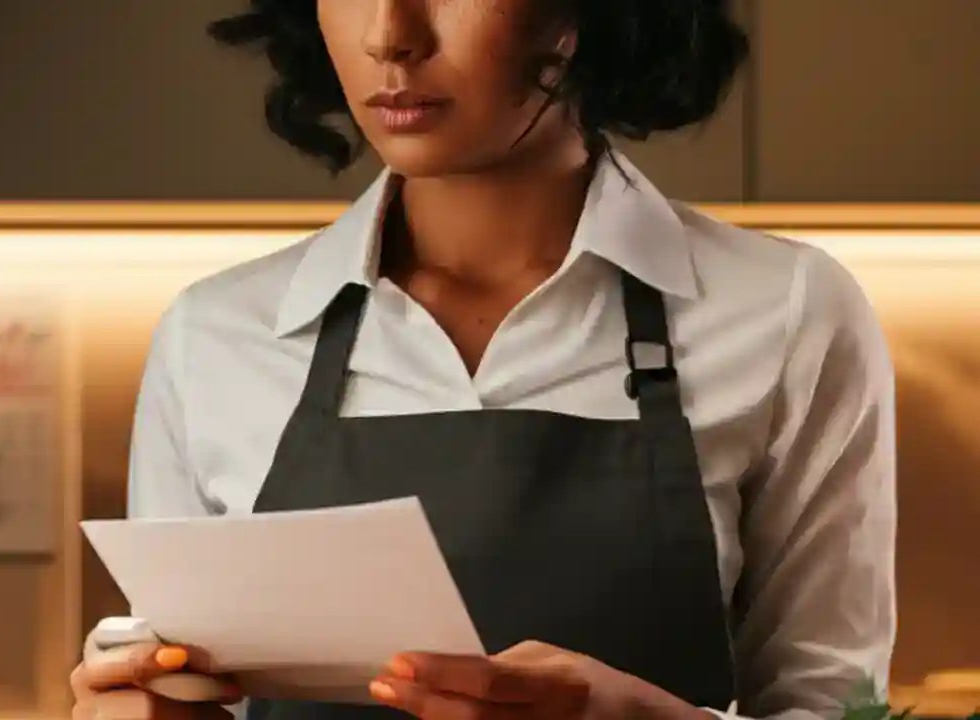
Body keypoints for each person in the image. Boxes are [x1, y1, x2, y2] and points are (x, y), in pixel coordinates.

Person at [70, 2, 896, 720]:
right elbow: (185, 690)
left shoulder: (786, 313)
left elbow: (838, 707)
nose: (390, 35)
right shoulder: (215, 337)